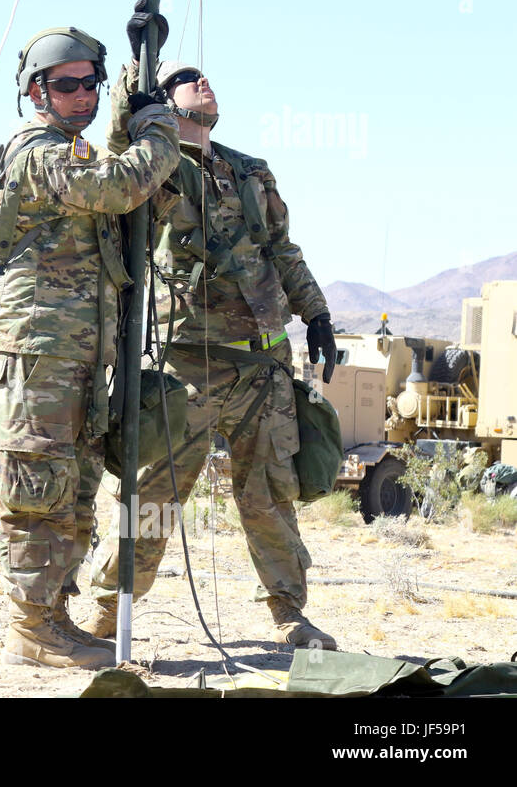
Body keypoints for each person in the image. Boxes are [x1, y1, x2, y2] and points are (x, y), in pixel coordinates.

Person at [84, 61, 339, 650]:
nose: (204, 82)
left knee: (270, 496)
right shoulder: (155, 168)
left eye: (205, 77)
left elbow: (282, 247)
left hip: (264, 364)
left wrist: (316, 312)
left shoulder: (250, 171)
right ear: (165, 102)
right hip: (189, 367)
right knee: (152, 499)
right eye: (186, 79)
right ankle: (105, 612)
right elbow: (118, 145)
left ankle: (290, 617)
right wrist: (134, 71)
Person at [0, 27, 180, 668]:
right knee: (38, 488)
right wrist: (161, 129)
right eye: (67, 85)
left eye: (92, 82)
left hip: (79, 352)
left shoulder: (74, 147)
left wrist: (132, 83)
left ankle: (54, 615)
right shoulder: (38, 150)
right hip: (38, 351)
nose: (82, 94)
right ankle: (29, 627)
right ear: (36, 92)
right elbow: (118, 184)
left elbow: (113, 164)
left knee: (74, 486)